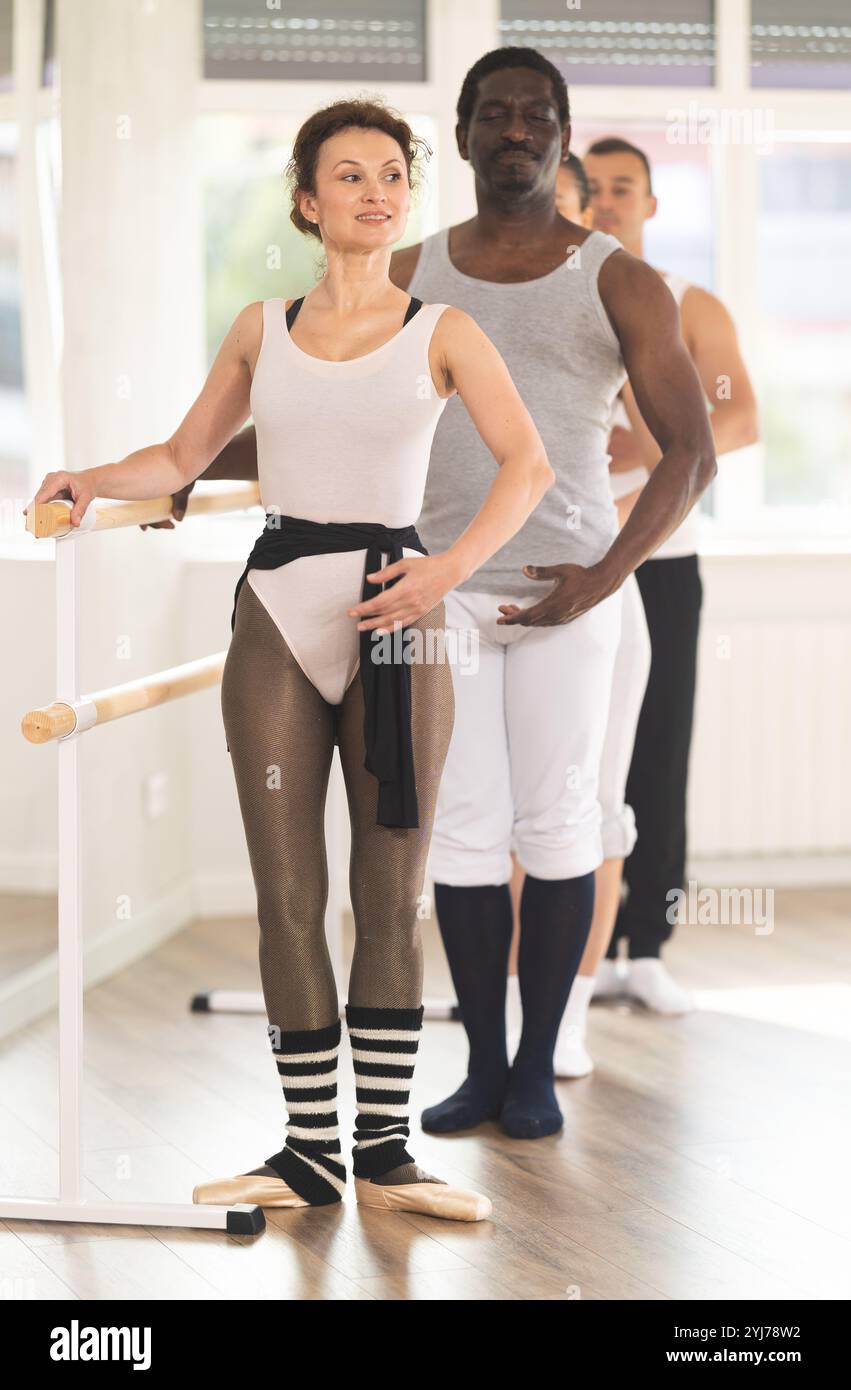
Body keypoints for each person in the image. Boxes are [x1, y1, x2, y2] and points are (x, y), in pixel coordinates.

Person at [27, 98, 556, 1220]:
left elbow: (527, 469)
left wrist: (446, 569)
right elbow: (181, 453)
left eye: (390, 175)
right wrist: (83, 479)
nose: (375, 192)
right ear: (308, 204)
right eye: (349, 176)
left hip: (397, 611)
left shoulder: (443, 330)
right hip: (276, 608)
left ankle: (387, 1154)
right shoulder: (259, 327)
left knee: (390, 892)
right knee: (284, 893)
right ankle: (307, 1152)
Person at [174, 49, 716, 1145]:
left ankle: (535, 1067)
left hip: (569, 587)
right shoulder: (408, 266)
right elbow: (308, 415)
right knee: (460, 836)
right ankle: (478, 1066)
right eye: (494, 113)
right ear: (463, 136)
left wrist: (604, 577)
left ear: (562, 139)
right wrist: (181, 469)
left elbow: (690, 451)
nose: (516, 128)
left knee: (559, 824)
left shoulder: (617, 277)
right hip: (429, 589)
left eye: (538, 114)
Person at [583, 136, 759, 1013]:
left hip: (661, 557)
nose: (608, 201)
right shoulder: (559, 298)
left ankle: (642, 945)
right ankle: (560, 947)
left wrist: (660, 455)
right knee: (570, 754)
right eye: (595, 187)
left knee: (657, 746)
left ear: (651, 205)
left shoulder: (690, 304)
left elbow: (740, 419)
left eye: (625, 188)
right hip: (567, 552)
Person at [504, 150, 652, 1076]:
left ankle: (567, 1015)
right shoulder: (456, 294)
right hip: (480, 582)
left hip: (589, 582)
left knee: (588, 808)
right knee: (498, 819)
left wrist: (603, 536)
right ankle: (519, 1010)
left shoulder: (611, 294)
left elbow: (680, 438)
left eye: (571, 206)